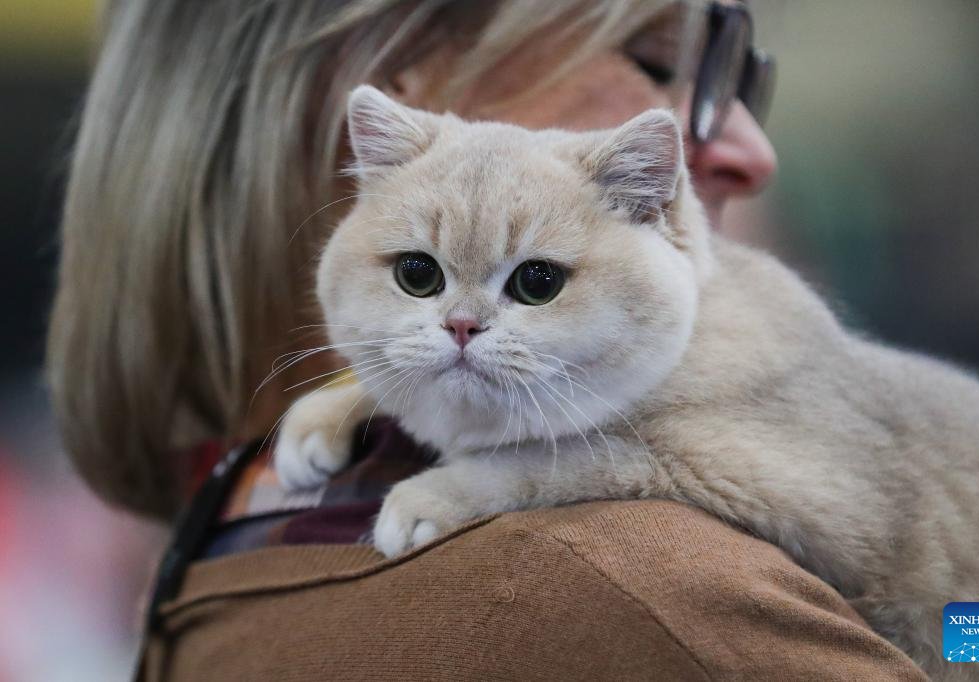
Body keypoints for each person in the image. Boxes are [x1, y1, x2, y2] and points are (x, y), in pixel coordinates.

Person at [48, 0, 929, 679]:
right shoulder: (624, 589)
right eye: (658, 60)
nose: (750, 148)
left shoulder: (209, 556)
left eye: (745, 80)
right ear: (382, 80)